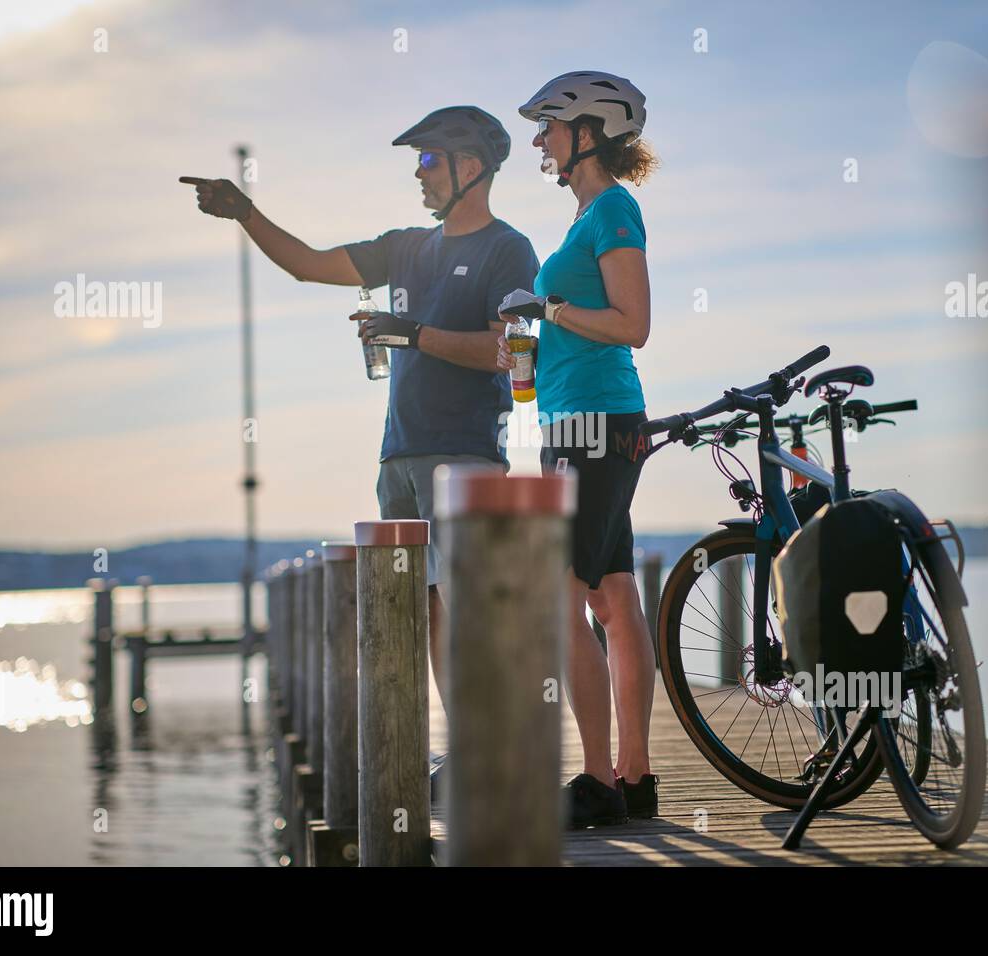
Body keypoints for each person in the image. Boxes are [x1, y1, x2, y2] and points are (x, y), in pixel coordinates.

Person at [182, 107, 540, 801]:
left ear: (472, 167)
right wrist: (246, 214)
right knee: (428, 611)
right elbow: (308, 267)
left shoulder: (509, 249)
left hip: (465, 455)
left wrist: (415, 334)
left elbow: (512, 352)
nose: (418, 172)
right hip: (398, 458)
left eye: (430, 160)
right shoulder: (403, 247)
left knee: (467, 610)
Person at [497, 72, 661, 828]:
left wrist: (550, 306)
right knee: (611, 597)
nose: (538, 140)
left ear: (586, 134)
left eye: (548, 127)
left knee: (561, 599)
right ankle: (634, 776)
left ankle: (596, 781)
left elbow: (632, 324)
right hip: (574, 420)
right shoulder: (585, 218)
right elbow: (574, 325)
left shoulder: (615, 210)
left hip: (599, 423)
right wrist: (526, 340)